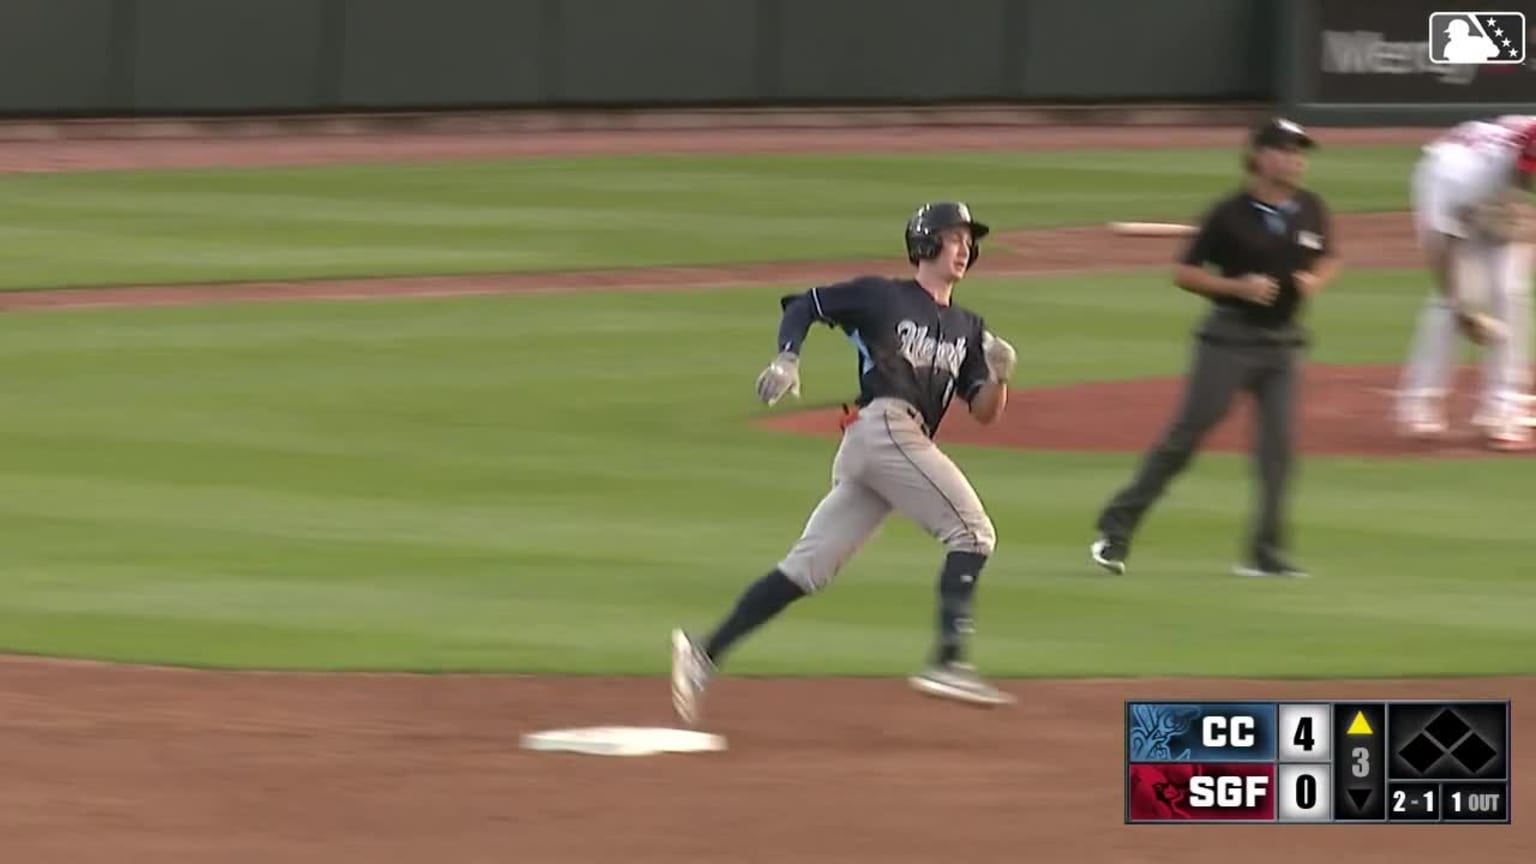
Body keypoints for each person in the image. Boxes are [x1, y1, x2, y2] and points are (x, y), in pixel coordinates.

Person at [669, 201, 1019, 725]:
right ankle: (948, 661)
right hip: (883, 430)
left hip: (884, 447)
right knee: (973, 534)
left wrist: (1000, 376)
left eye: (970, 238)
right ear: (925, 243)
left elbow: (985, 413)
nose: (965, 246)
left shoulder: (970, 327)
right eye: (954, 236)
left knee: (806, 569)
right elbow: (804, 304)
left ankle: (703, 653)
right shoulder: (883, 296)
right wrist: (787, 358)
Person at [1088, 118, 1339, 579]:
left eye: (1300, 152)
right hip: (1230, 340)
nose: (1296, 160)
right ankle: (1116, 526)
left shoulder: (1311, 209)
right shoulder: (1229, 214)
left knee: (1278, 451)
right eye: (1286, 151)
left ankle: (1265, 552)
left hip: (1283, 345)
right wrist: (1235, 287)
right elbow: (1184, 272)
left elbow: (1329, 258)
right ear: (1259, 156)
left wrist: (1314, 282)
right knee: (1186, 437)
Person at [1395, 114, 1536, 450]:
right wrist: (1465, 312)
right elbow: (1440, 250)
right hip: (1448, 190)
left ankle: (1502, 408)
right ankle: (1420, 401)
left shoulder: (1525, 133)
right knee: (1454, 300)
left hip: (1492, 192)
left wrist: (1517, 226)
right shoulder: (1459, 181)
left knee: (1509, 291)